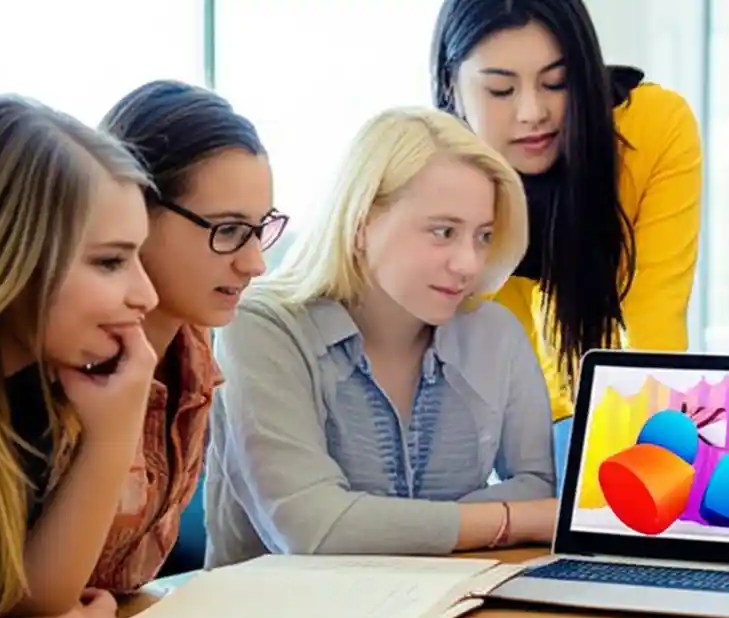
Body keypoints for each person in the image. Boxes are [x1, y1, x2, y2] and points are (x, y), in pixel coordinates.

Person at [205, 107, 556, 568]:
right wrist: (510, 519)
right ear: (361, 224)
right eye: (443, 232)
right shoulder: (261, 326)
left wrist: (374, 523)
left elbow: (540, 487)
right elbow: (313, 530)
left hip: (446, 615)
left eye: (483, 236)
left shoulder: (495, 333)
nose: (469, 264)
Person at [432, 0, 703, 422]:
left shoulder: (654, 129)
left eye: (556, 82)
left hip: (620, 408)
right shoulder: (439, 174)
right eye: (501, 90)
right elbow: (502, 376)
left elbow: (656, 337)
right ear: (451, 86)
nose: (533, 113)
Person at [0, 95, 158, 618]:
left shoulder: (26, 393)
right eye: (110, 262)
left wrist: (113, 432)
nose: (145, 296)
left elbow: (36, 601)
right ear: (11, 253)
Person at [89, 80, 280, 586]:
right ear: (134, 211)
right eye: (229, 229)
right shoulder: (59, 365)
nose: (255, 262)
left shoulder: (194, 351)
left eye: (261, 228)